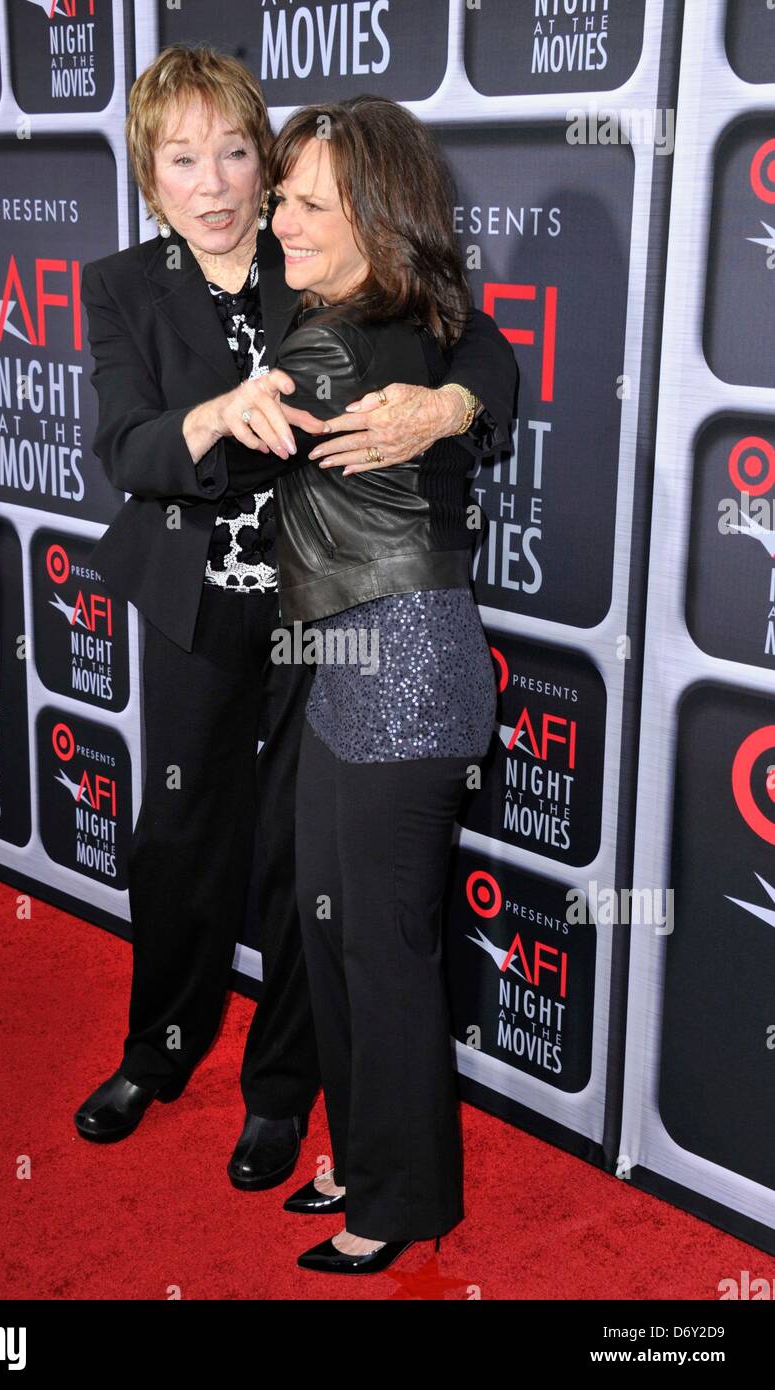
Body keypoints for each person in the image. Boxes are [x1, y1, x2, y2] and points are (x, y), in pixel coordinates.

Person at [74, 44, 516, 1194]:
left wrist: (450, 404)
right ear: (148, 174)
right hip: (199, 603)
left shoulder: (317, 242)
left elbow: (474, 335)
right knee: (180, 841)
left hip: (325, 613)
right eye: (183, 159)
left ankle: (279, 1091)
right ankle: (158, 1052)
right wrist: (218, 414)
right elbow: (126, 446)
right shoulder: (121, 286)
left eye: (236, 154)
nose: (215, 185)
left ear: (265, 166)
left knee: (296, 857)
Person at [265, 97, 517, 1272]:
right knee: (333, 937)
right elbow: (480, 341)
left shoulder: (334, 349)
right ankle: (363, 1152)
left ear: (377, 217)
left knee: (382, 951)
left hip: (405, 678)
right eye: (281, 196)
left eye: (310, 203)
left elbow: (209, 462)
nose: (279, 219)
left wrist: (202, 421)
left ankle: (399, 1199)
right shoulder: (395, 320)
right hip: (346, 670)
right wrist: (463, 394)